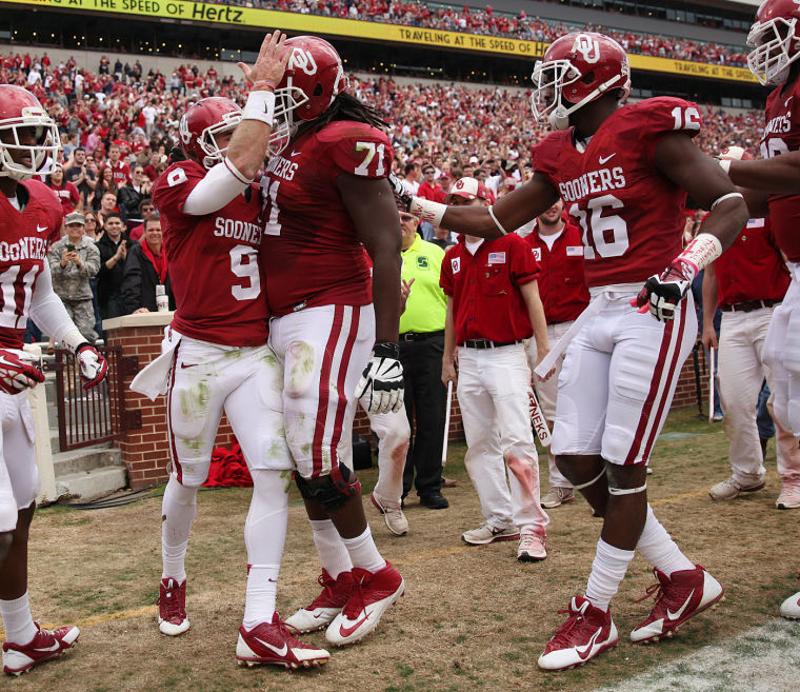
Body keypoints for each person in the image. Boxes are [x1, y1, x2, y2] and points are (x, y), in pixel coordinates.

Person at [401, 32, 748, 670]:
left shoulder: (650, 128)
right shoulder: (559, 152)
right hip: (599, 309)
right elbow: (493, 220)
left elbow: (729, 200)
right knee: (574, 455)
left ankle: (595, 610)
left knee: (623, 465)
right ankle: (680, 575)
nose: (546, 89)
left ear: (592, 80)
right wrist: (415, 200)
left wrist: (685, 264)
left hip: (655, 302)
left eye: (558, 76)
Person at [138, 32, 330, 669]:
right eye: (225, 134)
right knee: (188, 479)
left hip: (252, 354)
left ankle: (258, 617)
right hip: (197, 353)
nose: (245, 140)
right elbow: (220, 182)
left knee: (273, 472)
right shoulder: (180, 179)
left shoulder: (261, 188)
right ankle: (172, 576)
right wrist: (259, 95)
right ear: (202, 143)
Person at [258, 35, 404, 648]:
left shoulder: (348, 142)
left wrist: (388, 348)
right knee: (307, 457)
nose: (283, 102)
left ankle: (376, 574)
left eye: (291, 90)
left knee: (315, 453)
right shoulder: (295, 138)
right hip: (289, 315)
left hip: (331, 307)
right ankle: (340, 577)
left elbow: (388, 242)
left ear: (319, 89)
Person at [0, 84, 107, 676]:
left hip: (13, 373)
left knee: (21, 511)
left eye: (39, 135)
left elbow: (41, 297)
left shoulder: (42, 202)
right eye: (22, 137)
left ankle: (19, 637)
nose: (37, 147)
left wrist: (78, 343)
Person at [722, 0, 800, 619]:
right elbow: (765, 185)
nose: (762, 48)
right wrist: (709, 184)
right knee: (786, 387)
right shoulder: (778, 97)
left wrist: (724, 165)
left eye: (772, 35)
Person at [439, 176, 550, 562]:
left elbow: (532, 298)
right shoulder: (452, 255)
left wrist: (544, 348)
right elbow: (451, 307)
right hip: (469, 357)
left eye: (465, 201)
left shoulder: (512, 244)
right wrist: (447, 357)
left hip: (505, 353)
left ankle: (532, 526)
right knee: (480, 443)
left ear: (484, 205)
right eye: (453, 202)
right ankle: (499, 517)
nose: (458, 208)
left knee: (518, 439)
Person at [702, 207, 800, 508]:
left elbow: (789, 263)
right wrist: (707, 322)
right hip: (732, 317)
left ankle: (793, 477)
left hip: (771, 310)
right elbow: (710, 273)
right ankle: (747, 473)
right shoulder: (712, 221)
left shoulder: (767, 214)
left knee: (781, 399)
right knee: (733, 400)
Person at [523, 200, 590, 508]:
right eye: (543, 202)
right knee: (551, 412)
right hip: (541, 334)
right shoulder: (523, 245)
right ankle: (561, 483)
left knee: (588, 405)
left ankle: (597, 480)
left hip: (580, 329)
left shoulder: (581, 236)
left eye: (554, 201)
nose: (549, 207)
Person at [397, 209, 450, 511]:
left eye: (406, 217)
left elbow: (450, 298)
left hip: (432, 345)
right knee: (397, 423)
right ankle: (398, 488)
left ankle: (429, 486)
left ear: (418, 222)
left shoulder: (435, 253)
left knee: (432, 418)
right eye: (395, 217)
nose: (401, 222)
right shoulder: (379, 253)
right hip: (394, 345)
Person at [47, 211, 101, 343]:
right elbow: (50, 271)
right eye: (71, 226)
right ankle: (66, 363)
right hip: (61, 298)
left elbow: (94, 270)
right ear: (65, 228)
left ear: (83, 228)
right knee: (65, 334)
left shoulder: (91, 247)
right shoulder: (57, 247)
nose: (75, 228)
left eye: (79, 225)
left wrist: (79, 263)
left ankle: (86, 360)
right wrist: (62, 263)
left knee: (86, 333)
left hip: (82, 297)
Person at [121, 212, 174, 315]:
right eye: (151, 230)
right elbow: (131, 282)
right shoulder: (136, 252)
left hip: (170, 310)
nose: (155, 233)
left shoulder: (170, 251)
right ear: (144, 232)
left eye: (158, 230)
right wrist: (134, 308)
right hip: (145, 311)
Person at [95, 213, 128, 319]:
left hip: (129, 294)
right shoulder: (97, 247)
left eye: (117, 223)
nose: (114, 226)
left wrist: (126, 258)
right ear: (104, 226)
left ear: (123, 226)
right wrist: (116, 257)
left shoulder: (132, 244)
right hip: (108, 296)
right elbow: (98, 271)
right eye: (111, 223)